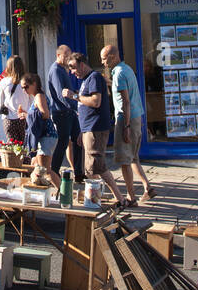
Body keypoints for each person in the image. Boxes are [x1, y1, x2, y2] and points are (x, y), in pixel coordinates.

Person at [65, 53, 128, 206]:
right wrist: (82, 130)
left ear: (82, 64)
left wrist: (74, 96)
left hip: (96, 128)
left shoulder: (94, 78)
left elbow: (96, 101)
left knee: (95, 167)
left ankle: (110, 199)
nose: (72, 72)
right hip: (89, 129)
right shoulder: (86, 80)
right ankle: (100, 198)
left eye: (73, 68)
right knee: (93, 167)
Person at [103, 44, 156, 203]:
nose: (103, 63)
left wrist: (125, 127)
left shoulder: (119, 74)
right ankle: (147, 187)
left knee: (125, 161)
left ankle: (131, 196)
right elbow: (127, 94)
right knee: (133, 157)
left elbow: (125, 102)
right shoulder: (126, 70)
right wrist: (109, 82)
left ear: (112, 57)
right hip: (136, 117)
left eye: (104, 59)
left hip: (126, 119)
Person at [47, 44, 84, 182]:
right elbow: (61, 95)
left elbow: (68, 91)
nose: (69, 58)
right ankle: (54, 172)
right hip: (61, 112)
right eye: (66, 55)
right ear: (58, 55)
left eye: (70, 55)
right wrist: (76, 107)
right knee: (62, 143)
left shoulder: (63, 70)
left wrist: (76, 95)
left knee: (78, 140)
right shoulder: (56, 70)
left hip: (70, 112)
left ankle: (79, 173)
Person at [18, 73, 57, 183]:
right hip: (46, 136)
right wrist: (27, 114)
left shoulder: (39, 96)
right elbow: (38, 115)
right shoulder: (38, 96)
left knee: (46, 171)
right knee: (38, 168)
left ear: (34, 84)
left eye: (26, 86)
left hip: (47, 136)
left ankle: (64, 194)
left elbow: (45, 114)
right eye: (22, 88)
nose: (24, 90)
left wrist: (27, 115)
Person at [0, 54, 30, 148]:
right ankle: (25, 162)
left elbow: (0, 102)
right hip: (24, 118)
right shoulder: (26, 81)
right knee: (25, 147)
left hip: (9, 118)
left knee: (14, 148)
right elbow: (31, 99)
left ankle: (14, 163)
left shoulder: (4, 82)